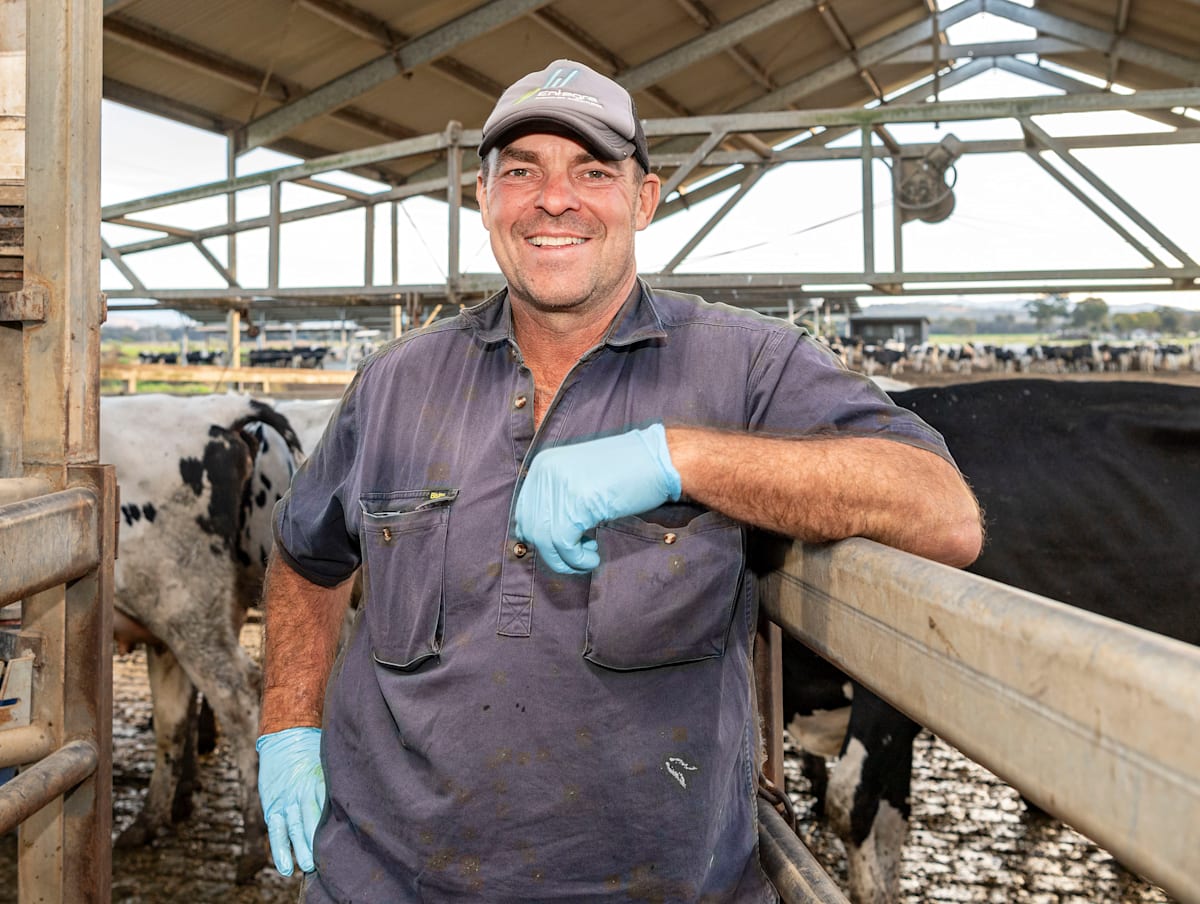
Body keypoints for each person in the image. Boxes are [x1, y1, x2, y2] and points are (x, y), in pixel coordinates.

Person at [255, 59, 983, 903]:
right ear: (482, 198)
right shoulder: (394, 383)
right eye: (520, 171)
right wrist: (287, 725)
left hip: (652, 885)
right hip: (383, 881)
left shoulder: (747, 366)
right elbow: (306, 558)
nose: (553, 200)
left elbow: (942, 512)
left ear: (644, 199)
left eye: (593, 172)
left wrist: (676, 458)